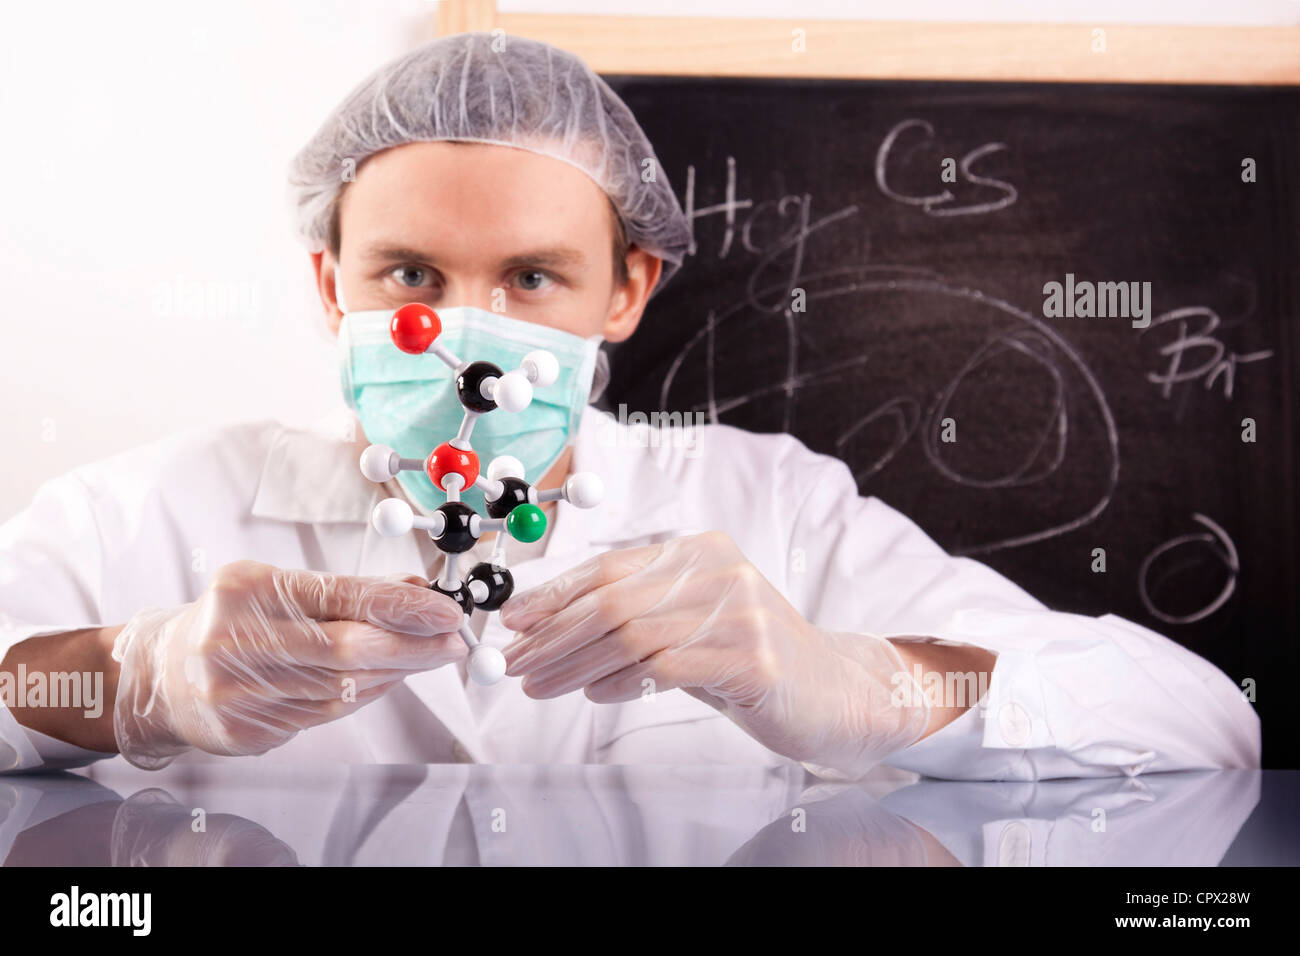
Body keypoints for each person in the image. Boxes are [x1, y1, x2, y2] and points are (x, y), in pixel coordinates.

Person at [0, 33, 1258, 781]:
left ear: (626, 290)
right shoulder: (151, 509)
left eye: (532, 277)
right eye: (411, 277)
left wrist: (865, 684)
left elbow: (1204, 728)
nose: (466, 336)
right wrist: (127, 680)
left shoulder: (772, 508)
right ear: (333, 285)